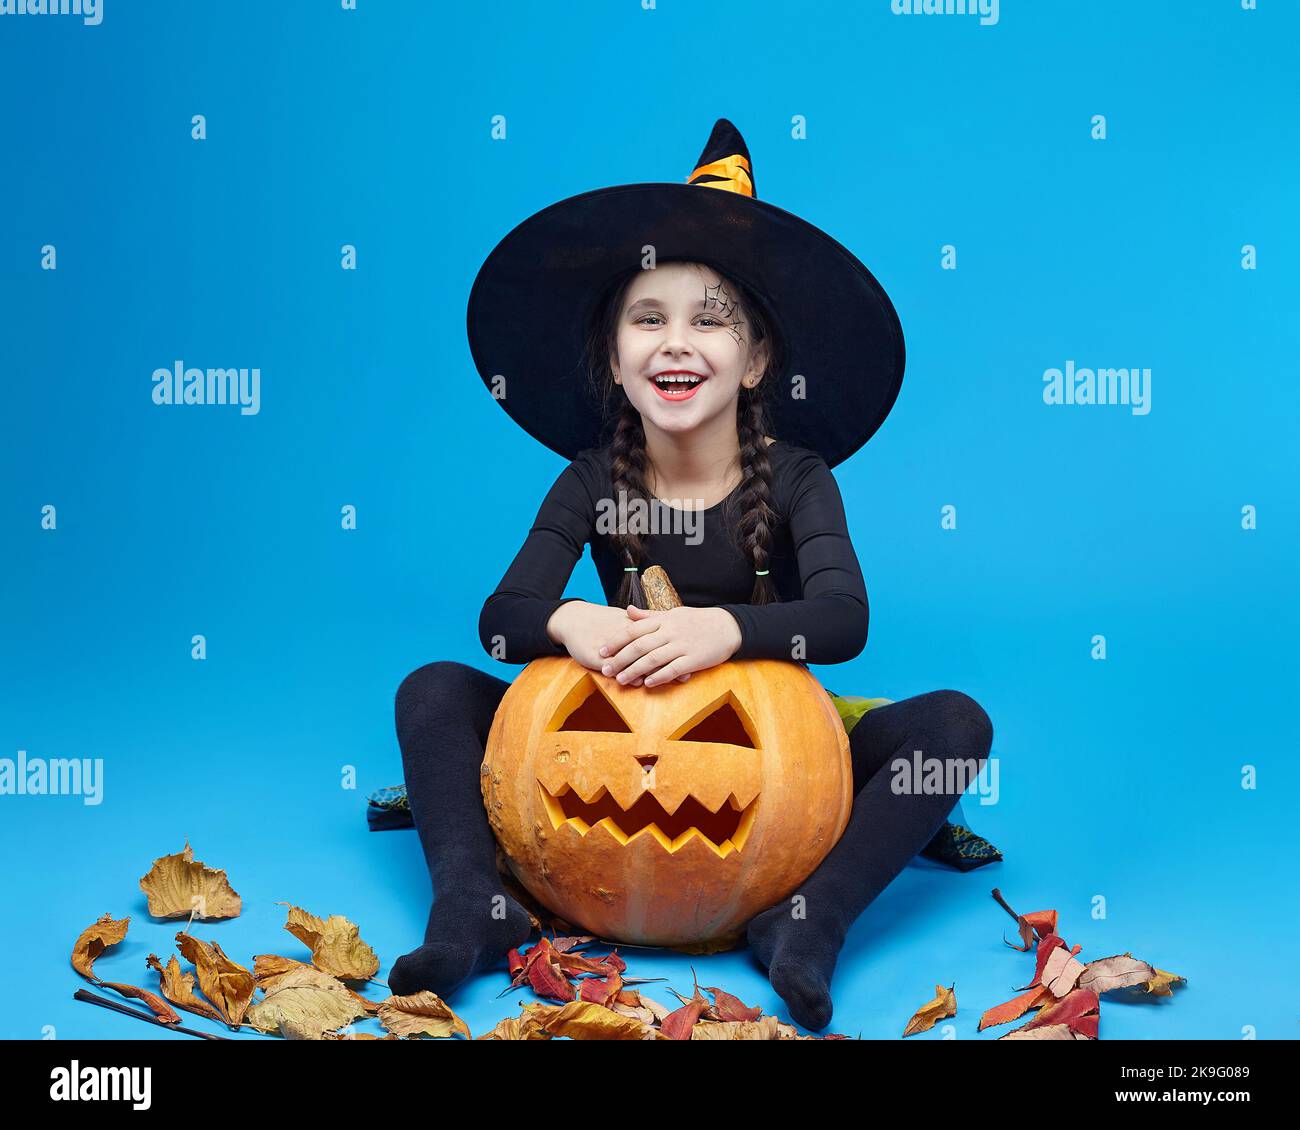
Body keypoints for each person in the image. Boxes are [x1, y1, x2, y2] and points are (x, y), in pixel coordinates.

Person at [389, 120, 994, 1032]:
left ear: (755, 362)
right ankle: (471, 900)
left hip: (771, 736)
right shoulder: (592, 476)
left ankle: (808, 920)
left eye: (712, 320)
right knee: (432, 691)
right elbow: (500, 618)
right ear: (616, 360)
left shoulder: (797, 476)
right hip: (617, 711)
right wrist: (568, 624)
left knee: (954, 725)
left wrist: (725, 631)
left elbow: (844, 619)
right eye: (650, 319)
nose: (678, 343)